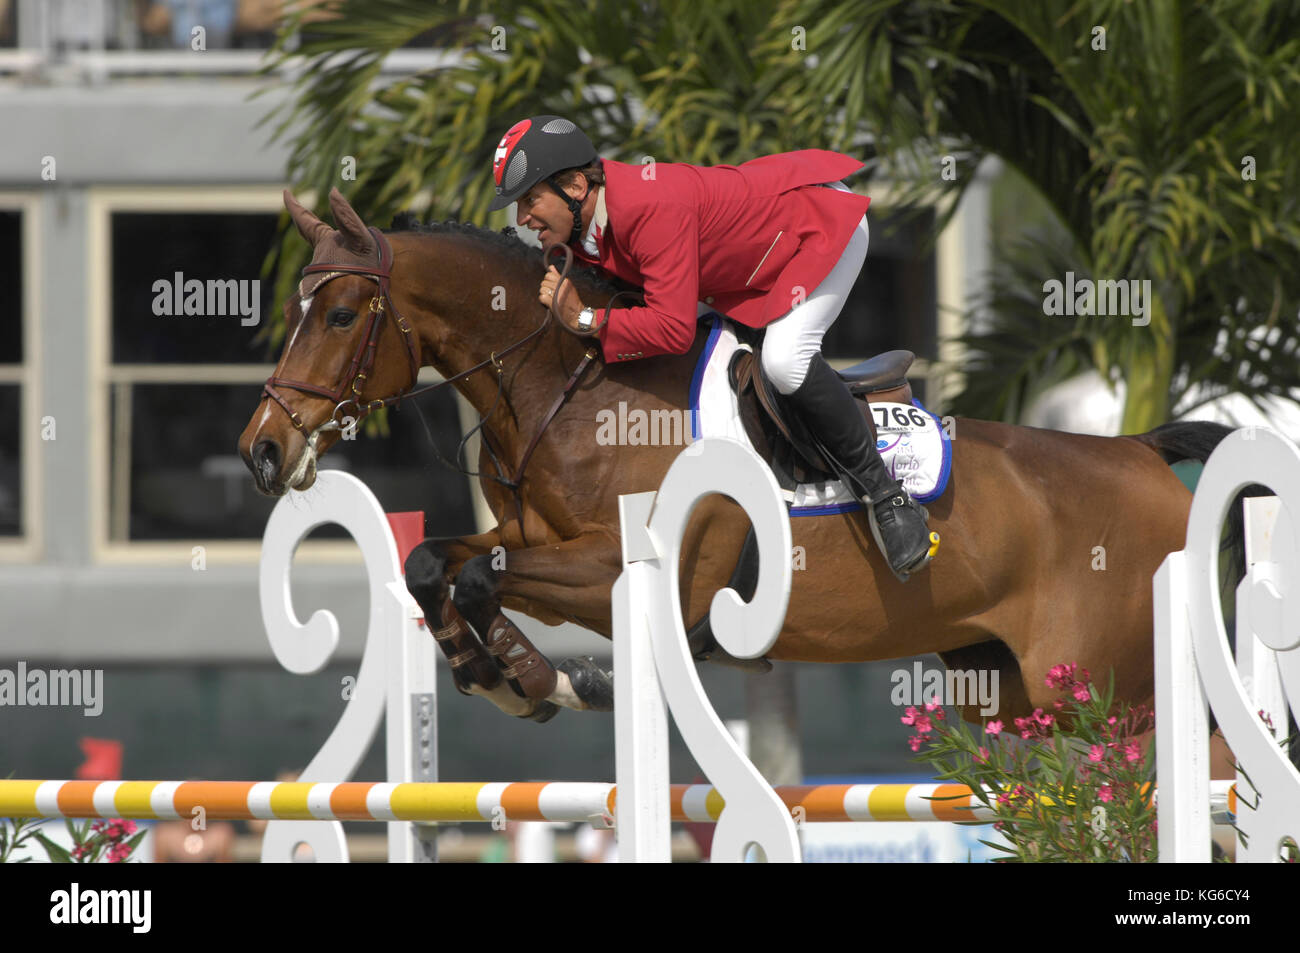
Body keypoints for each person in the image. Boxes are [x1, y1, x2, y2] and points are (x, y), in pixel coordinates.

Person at [487, 116, 935, 578]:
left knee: (784, 361)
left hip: (817, 227)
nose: (522, 218)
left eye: (528, 200)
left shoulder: (649, 207)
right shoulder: (585, 225)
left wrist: (585, 318)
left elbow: (671, 329)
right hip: (744, 261)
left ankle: (887, 499)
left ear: (577, 186)